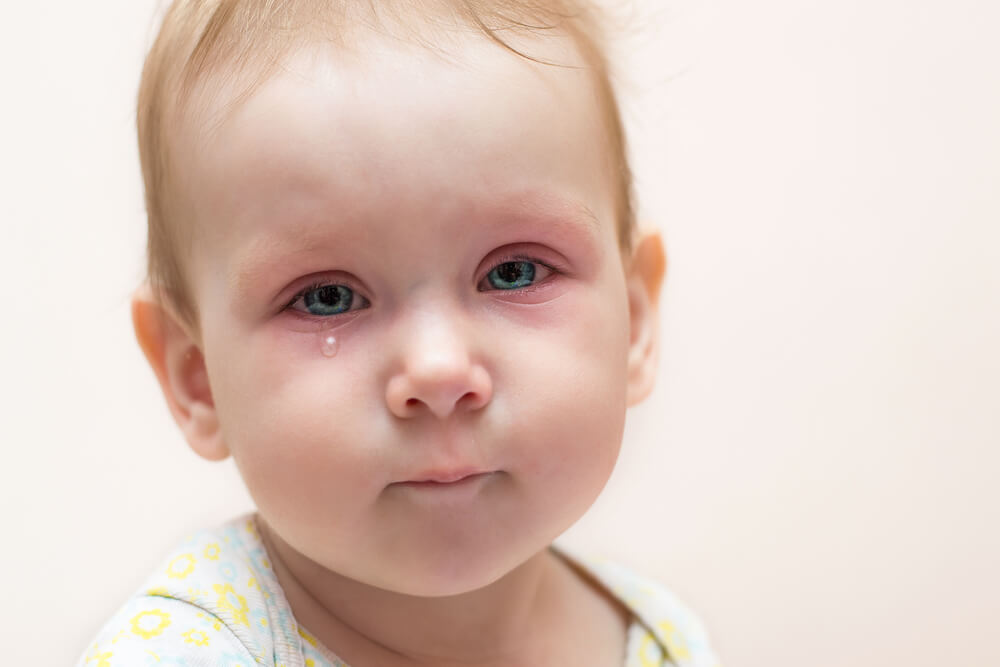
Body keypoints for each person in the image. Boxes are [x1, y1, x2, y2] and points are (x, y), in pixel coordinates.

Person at [77, 0, 719, 664]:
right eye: (328, 297)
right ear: (197, 376)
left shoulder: (664, 641)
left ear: (635, 321)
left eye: (515, 271)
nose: (439, 370)